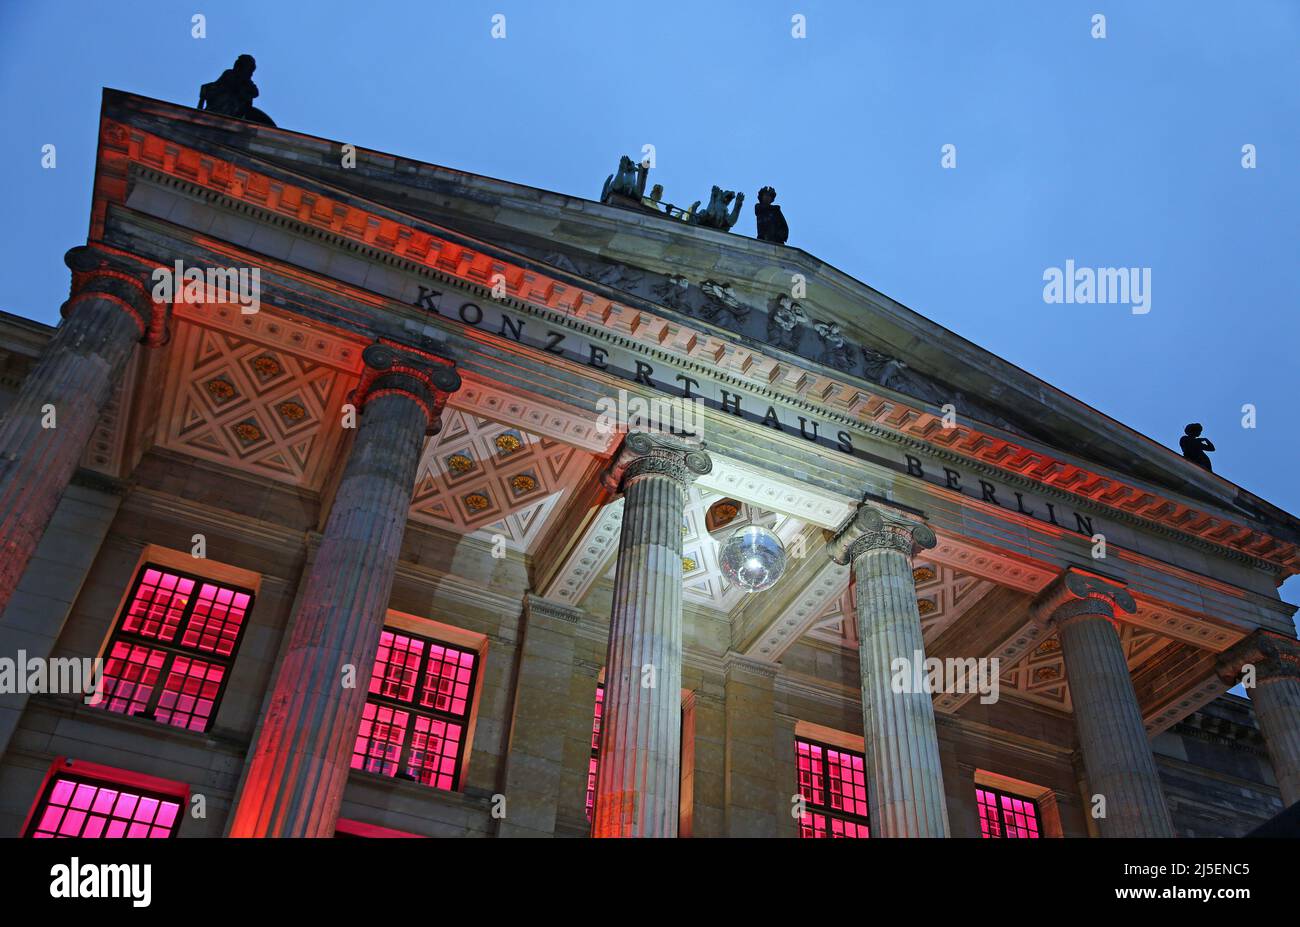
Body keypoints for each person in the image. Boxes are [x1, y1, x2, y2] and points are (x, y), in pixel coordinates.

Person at [199, 55, 275, 126]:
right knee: (226, 100)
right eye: (249, 69)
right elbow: (226, 86)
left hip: (236, 108)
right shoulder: (230, 74)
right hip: (222, 104)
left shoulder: (247, 82)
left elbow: (255, 93)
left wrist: (244, 87)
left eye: (251, 70)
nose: (250, 73)